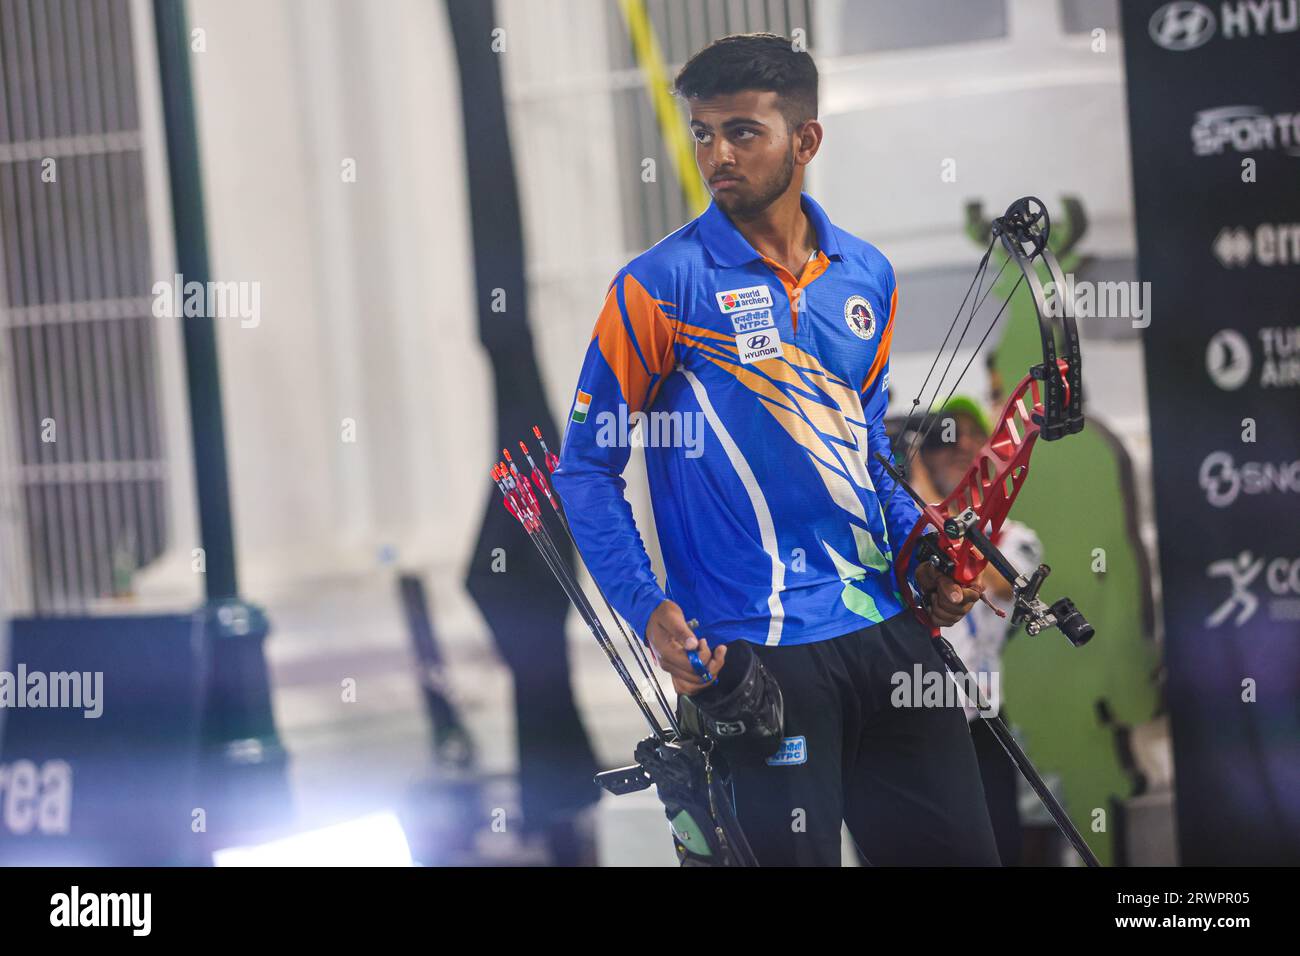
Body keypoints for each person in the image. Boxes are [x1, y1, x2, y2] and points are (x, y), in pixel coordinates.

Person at [552, 33, 998, 865]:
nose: (717, 155)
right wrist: (648, 607)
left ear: (806, 140)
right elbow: (584, 469)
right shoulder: (659, 286)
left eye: (743, 132)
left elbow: (864, 457)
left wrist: (924, 547)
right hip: (750, 655)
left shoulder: (865, 275)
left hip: (886, 627)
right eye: (702, 134)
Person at [916, 396, 1044, 866]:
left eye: (976, 436)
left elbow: (997, 584)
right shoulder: (904, 535)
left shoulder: (1015, 537)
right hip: (908, 716)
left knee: (995, 848)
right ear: (925, 453)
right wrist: (917, 496)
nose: (963, 446)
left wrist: (933, 502)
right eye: (947, 436)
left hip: (979, 722)